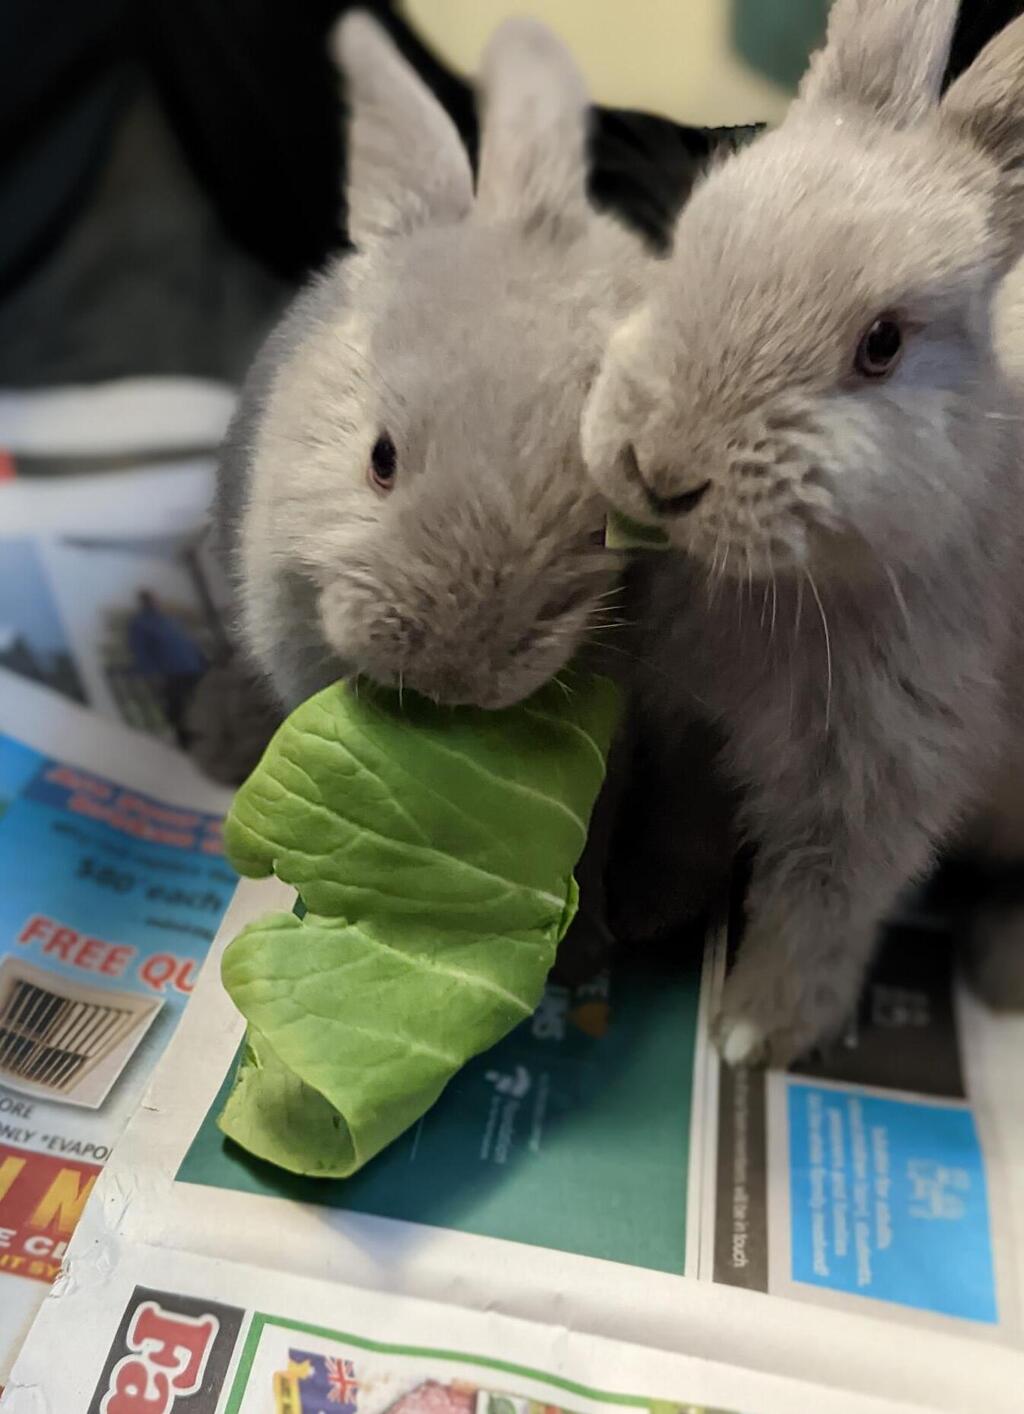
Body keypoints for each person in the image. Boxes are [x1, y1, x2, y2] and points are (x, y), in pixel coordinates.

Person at [126, 589, 207, 747]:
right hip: (170, 672)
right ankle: (186, 740)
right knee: (177, 707)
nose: (153, 602)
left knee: (200, 702)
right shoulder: (140, 624)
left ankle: (206, 734)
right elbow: (140, 651)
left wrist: (201, 660)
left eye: (153, 599)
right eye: (148, 600)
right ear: (143, 603)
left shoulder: (169, 620)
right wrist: (152, 675)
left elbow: (187, 641)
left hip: (191, 667)